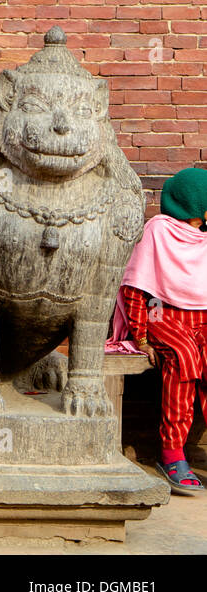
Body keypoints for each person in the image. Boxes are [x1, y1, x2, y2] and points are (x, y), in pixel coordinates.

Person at [113, 167, 207, 494]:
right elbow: (136, 287)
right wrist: (140, 336)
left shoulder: (205, 235)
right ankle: (171, 455)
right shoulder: (159, 231)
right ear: (191, 204)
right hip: (161, 315)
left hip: (202, 319)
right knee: (184, 357)